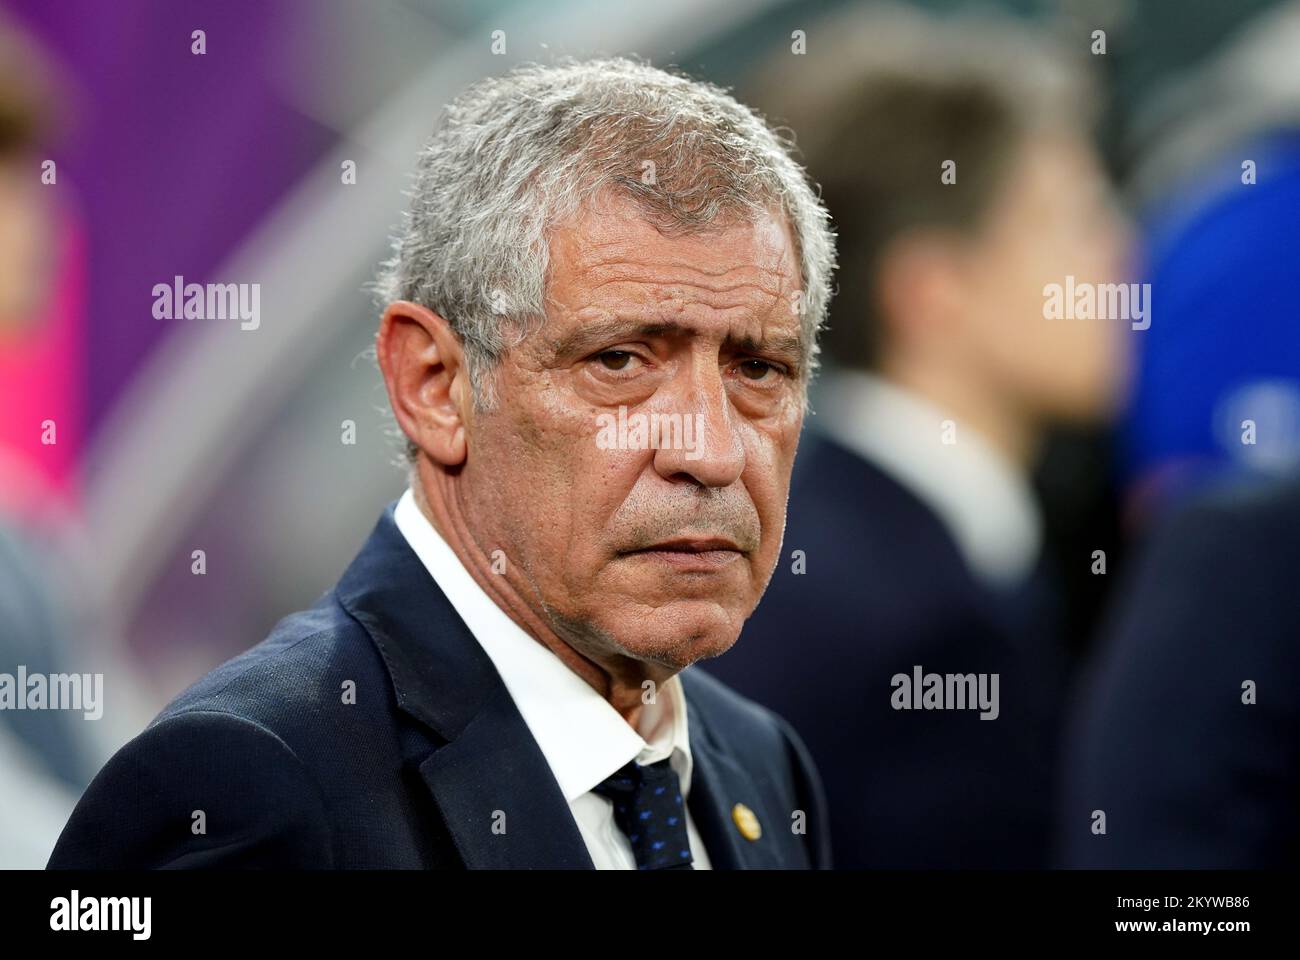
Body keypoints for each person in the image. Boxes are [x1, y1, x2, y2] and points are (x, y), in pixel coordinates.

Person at [48, 57, 835, 870]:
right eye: (621, 360)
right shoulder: (248, 786)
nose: (710, 451)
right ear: (434, 386)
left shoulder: (759, 764)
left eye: (759, 369)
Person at [704, 8, 1132, 868]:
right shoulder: (928, 626)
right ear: (933, 292)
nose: (1122, 255)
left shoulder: (790, 534)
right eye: (1073, 220)